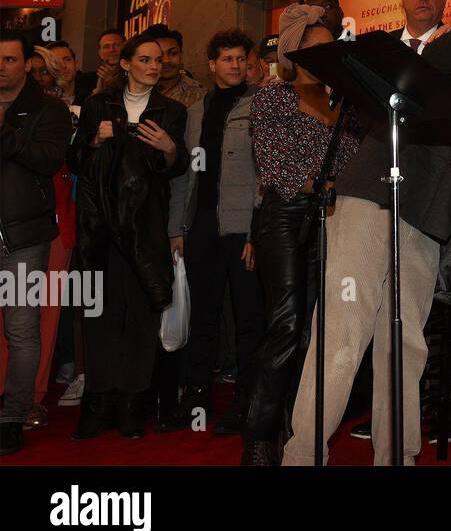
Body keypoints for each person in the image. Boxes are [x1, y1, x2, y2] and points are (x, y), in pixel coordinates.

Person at [282, 0, 451, 466]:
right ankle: (302, 455)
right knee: (340, 328)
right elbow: (297, 59)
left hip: (428, 205)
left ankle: (398, 456)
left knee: (405, 340)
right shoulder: (372, 50)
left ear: (444, 2)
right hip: (367, 193)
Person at [242, 5, 362, 466]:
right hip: (286, 218)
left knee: (320, 329)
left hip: (336, 221)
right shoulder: (273, 97)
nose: (323, 55)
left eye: (330, 47)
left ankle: (300, 430)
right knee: (287, 324)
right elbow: (277, 168)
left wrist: (334, 187)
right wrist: (327, 183)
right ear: (292, 52)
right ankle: (259, 436)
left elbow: (355, 169)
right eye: (313, 48)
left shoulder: (347, 104)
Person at [70, 34, 188, 440]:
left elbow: (173, 170)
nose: (155, 66)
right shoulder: (97, 105)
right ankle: (98, 404)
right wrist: (95, 139)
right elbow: (77, 163)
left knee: (140, 319)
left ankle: (133, 407)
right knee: (100, 319)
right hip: (101, 228)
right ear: (125, 64)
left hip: (145, 228)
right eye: (145, 59)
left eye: (159, 60)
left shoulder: (171, 110)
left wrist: (171, 149)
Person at [159, 30, 265, 437]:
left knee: (248, 318)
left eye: (241, 58)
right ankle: (197, 399)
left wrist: (257, 230)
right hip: (201, 225)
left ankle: (246, 402)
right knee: (204, 316)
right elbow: (185, 176)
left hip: (242, 227)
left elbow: (265, 173)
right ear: (212, 64)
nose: (236, 65)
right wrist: (176, 228)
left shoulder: (260, 105)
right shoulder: (197, 110)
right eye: (227, 58)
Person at [0, 29, 73, 456]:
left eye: (10, 59)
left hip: (22, 236)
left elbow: (47, 160)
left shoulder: (49, 110)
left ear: (28, 63)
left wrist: (5, 133)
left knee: (22, 329)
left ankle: (12, 415)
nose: (2, 67)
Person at [141, 23, 204, 108]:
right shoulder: (135, 89)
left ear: (181, 55)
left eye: (173, 53)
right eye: (160, 55)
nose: (166, 60)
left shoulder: (198, 94)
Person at [44, 40, 96, 105]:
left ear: (76, 64)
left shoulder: (89, 97)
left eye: (67, 59)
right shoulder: (42, 101)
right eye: (55, 62)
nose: (63, 65)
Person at [92, 28, 124, 94]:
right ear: (100, 53)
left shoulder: (135, 78)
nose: (112, 50)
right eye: (106, 46)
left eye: (117, 45)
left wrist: (114, 85)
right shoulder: (87, 80)